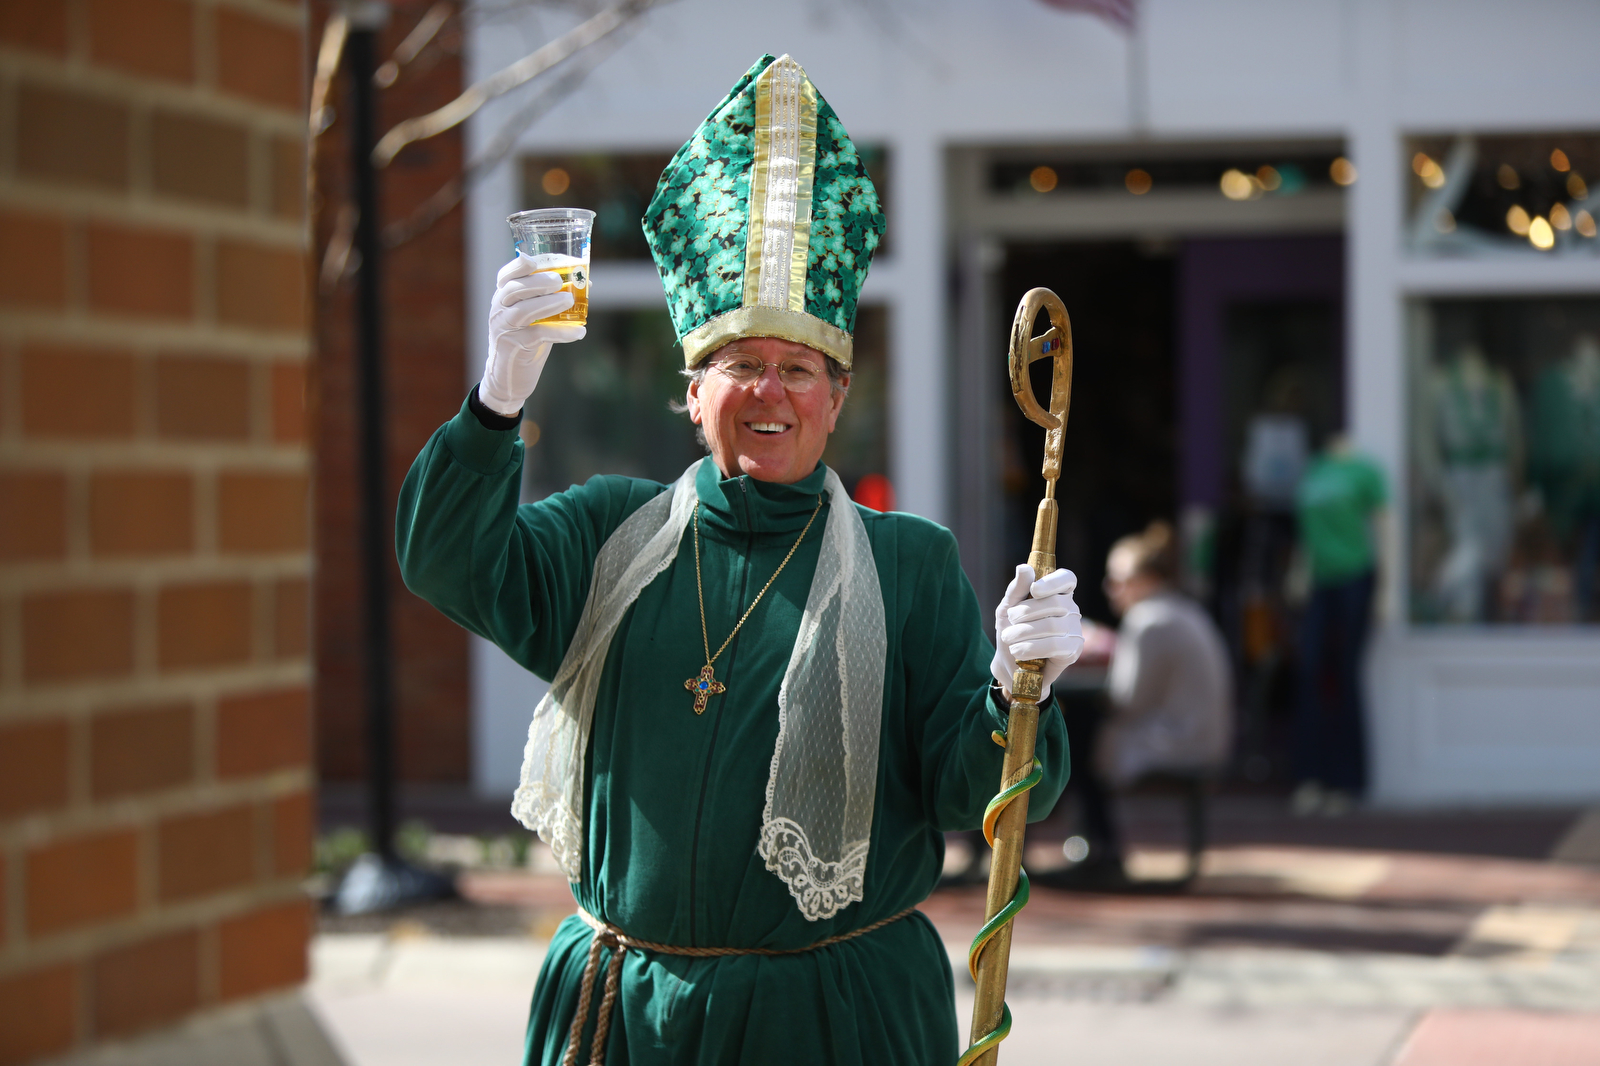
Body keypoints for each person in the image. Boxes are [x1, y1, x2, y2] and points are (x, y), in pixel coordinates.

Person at [396, 54, 1084, 1066]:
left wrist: (1016, 686)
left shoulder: (909, 566)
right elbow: (445, 561)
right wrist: (498, 397)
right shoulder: (604, 535)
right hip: (624, 1019)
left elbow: (967, 792)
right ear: (689, 390)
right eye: (739, 365)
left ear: (837, 397)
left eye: (798, 368)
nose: (770, 391)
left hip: (832, 1023)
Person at [1054, 522, 1232, 883]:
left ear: (1149, 578)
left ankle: (1100, 848)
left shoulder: (1147, 620)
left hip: (1175, 742)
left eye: (1119, 579)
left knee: (1076, 741)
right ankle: (1097, 846)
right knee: (1085, 736)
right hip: (1199, 736)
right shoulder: (1182, 610)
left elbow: (1126, 700)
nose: (1110, 589)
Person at [1292, 436, 1387, 815]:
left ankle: (1348, 783)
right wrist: (1297, 575)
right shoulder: (1313, 471)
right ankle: (1310, 778)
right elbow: (1306, 534)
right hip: (1319, 582)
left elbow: (1384, 527)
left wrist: (1387, 590)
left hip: (1356, 578)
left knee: (1347, 675)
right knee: (1310, 673)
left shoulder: (1365, 471)